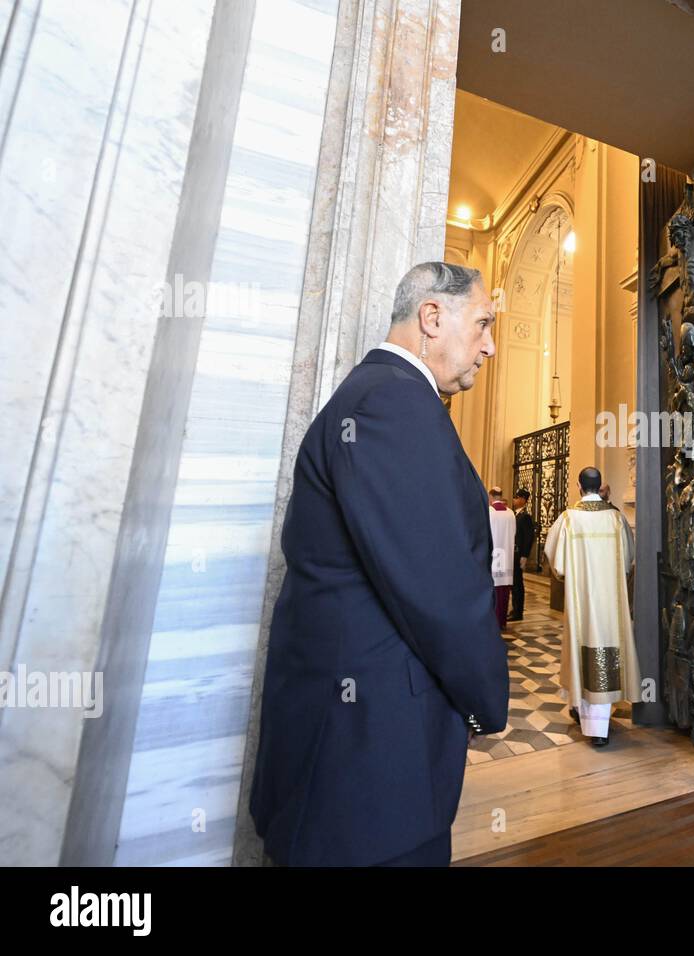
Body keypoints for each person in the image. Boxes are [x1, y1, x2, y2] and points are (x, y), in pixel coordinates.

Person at [250, 261, 509, 867]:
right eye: (483, 324)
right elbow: (438, 590)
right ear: (432, 317)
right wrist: (488, 697)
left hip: (356, 744)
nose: (491, 345)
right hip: (368, 760)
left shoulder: (378, 398)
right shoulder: (392, 403)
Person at [545, 466, 639, 746]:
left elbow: (556, 561)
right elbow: (628, 559)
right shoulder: (616, 519)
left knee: (581, 647)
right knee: (607, 648)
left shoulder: (569, 519)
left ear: (578, 485)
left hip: (581, 601)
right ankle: (599, 724)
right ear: (599, 487)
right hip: (610, 603)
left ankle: (587, 717)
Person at [487, 486, 515, 630]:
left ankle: (493, 622)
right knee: (504, 590)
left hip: (494, 556)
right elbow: (513, 534)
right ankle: (502, 621)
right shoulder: (511, 513)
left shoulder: (489, 512)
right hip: (507, 556)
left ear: (491, 496)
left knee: (494, 589)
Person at [508, 489, 534, 622]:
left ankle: (518, 612)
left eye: (517, 497)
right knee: (513, 583)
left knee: (518, 583)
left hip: (519, 554)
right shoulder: (515, 515)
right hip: (513, 553)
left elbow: (529, 538)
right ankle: (514, 608)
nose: (514, 500)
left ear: (523, 500)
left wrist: (525, 555)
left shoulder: (525, 517)